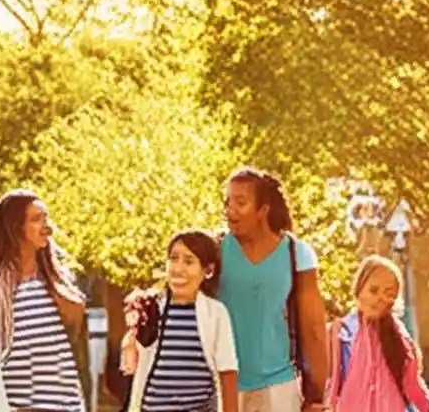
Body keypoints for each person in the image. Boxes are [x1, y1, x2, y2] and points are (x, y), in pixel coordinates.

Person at [219, 167, 328, 412]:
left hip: (279, 387)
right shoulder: (214, 252)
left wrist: (316, 397)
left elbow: (314, 330)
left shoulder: (296, 254)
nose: (230, 210)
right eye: (228, 202)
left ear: (263, 210)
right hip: (222, 385)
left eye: (240, 202)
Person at [0, 189, 89, 412]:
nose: (47, 227)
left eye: (46, 218)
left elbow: (72, 354)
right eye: (36, 219)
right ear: (15, 228)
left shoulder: (58, 280)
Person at [121, 229, 239, 412]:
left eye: (189, 261)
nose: (178, 268)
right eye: (173, 259)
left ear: (208, 270)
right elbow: (136, 360)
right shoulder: (152, 309)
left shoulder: (215, 314)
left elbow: (228, 371)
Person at [326, 255, 429, 412]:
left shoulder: (401, 341)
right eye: (373, 290)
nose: (380, 298)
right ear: (359, 289)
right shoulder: (339, 333)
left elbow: (413, 387)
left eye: (389, 294)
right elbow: (325, 383)